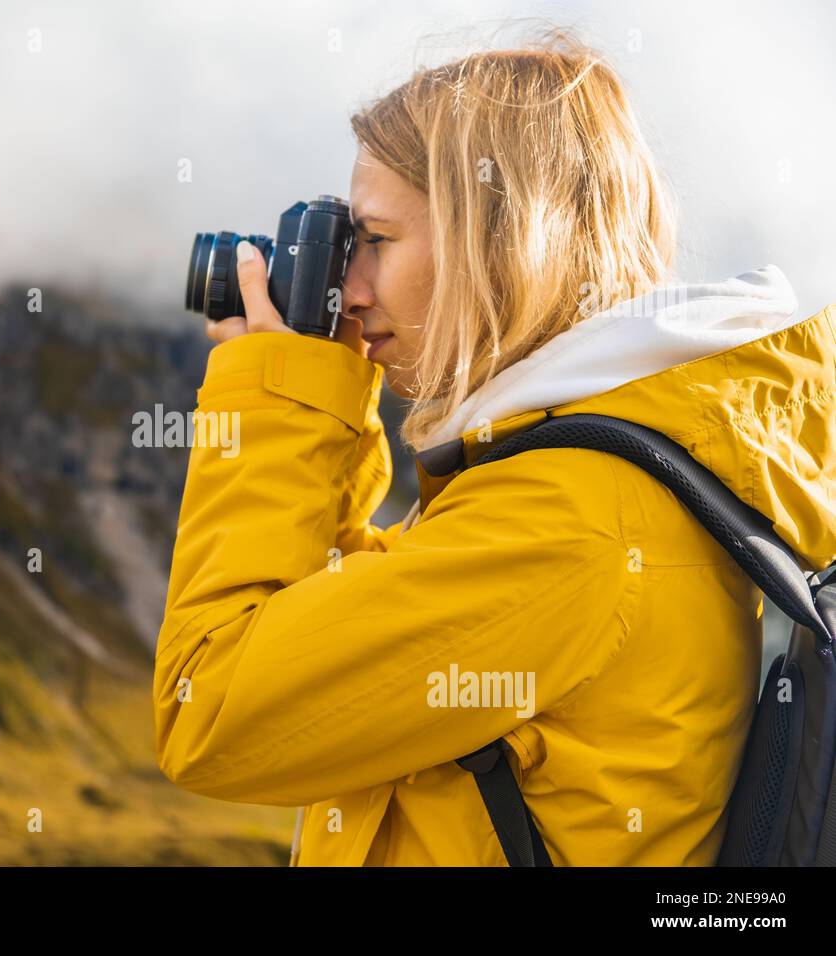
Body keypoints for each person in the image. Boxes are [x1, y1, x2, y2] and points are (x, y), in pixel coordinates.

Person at [152, 29, 836, 865]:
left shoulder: (568, 523)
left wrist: (277, 399)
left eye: (373, 240)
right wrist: (318, 391)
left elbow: (211, 709)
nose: (350, 287)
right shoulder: (583, 478)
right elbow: (333, 636)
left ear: (499, 241)